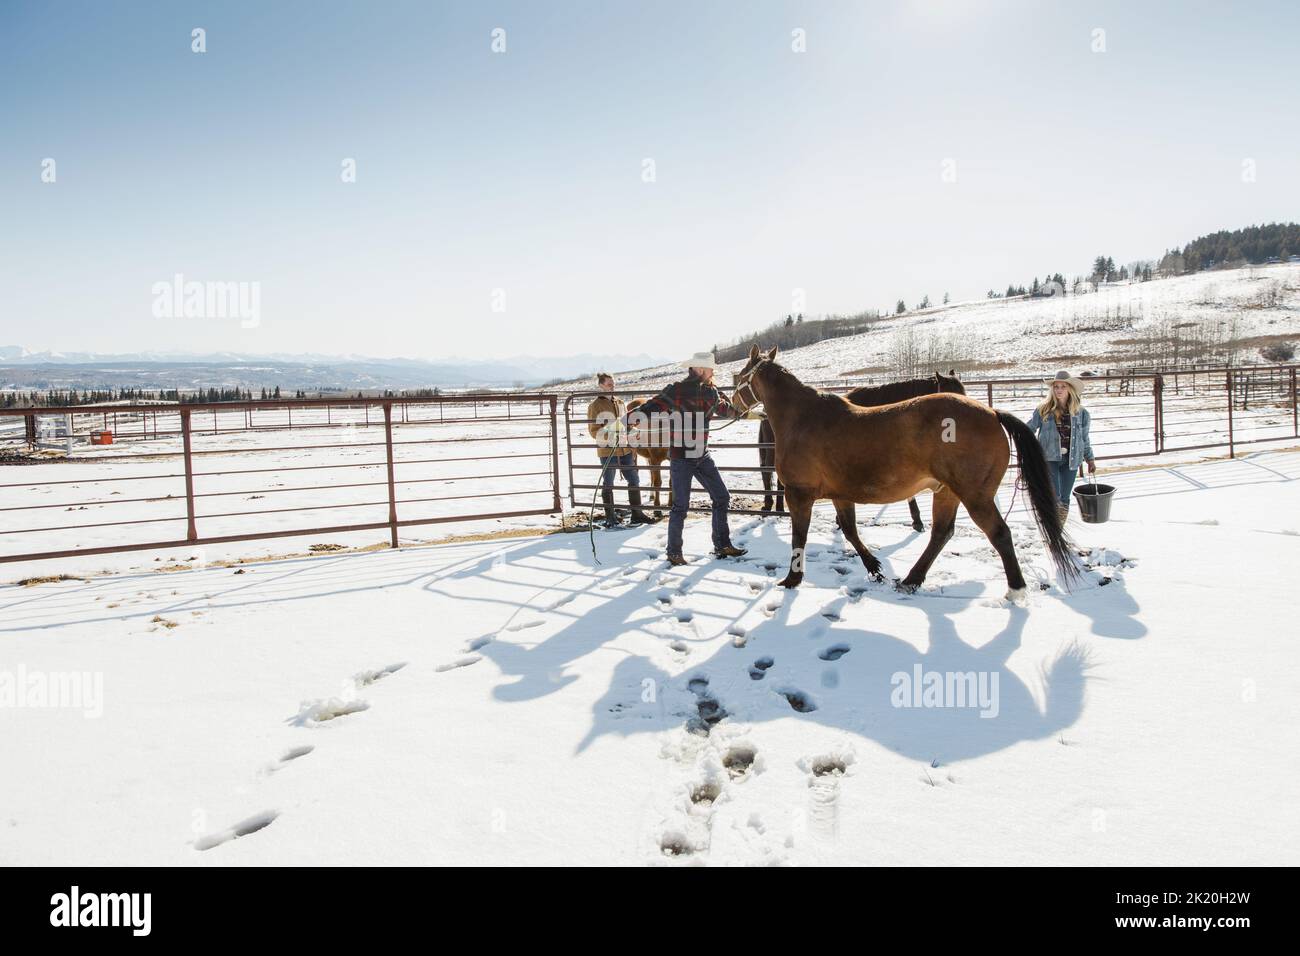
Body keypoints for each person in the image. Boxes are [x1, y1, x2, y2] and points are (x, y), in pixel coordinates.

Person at [623, 352, 747, 566]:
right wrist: (630, 419)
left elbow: (726, 411)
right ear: (699, 370)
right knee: (680, 506)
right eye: (710, 368)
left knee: (721, 497)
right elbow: (653, 406)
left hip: (701, 454)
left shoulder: (711, 392)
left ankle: (722, 544)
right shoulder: (676, 390)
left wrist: (743, 412)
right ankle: (674, 552)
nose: (713, 372)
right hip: (681, 457)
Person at [586, 373, 656, 528]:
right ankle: (610, 517)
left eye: (613, 384)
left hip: (624, 450)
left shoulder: (620, 403)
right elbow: (593, 431)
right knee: (608, 482)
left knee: (634, 479)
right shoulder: (595, 406)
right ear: (601, 386)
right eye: (609, 384)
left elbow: (627, 424)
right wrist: (612, 431)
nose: (613, 387)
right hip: (608, 451)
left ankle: (637, 514)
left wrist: (634, 432)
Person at [1027, 370, 1095, 523]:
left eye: (1063, 386)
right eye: (1056, 386)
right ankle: (1051, 526)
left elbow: (1084, 438)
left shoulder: (1081, 413)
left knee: (1064, 497)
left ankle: (1059, 530)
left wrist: (1090, 459)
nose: (1058, 390)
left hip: (1072, 460)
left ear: (1069, 388)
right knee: (1054, 495)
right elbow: (1029, 429)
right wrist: (1028, 448)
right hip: (1050, 459)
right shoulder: (1043, 410)